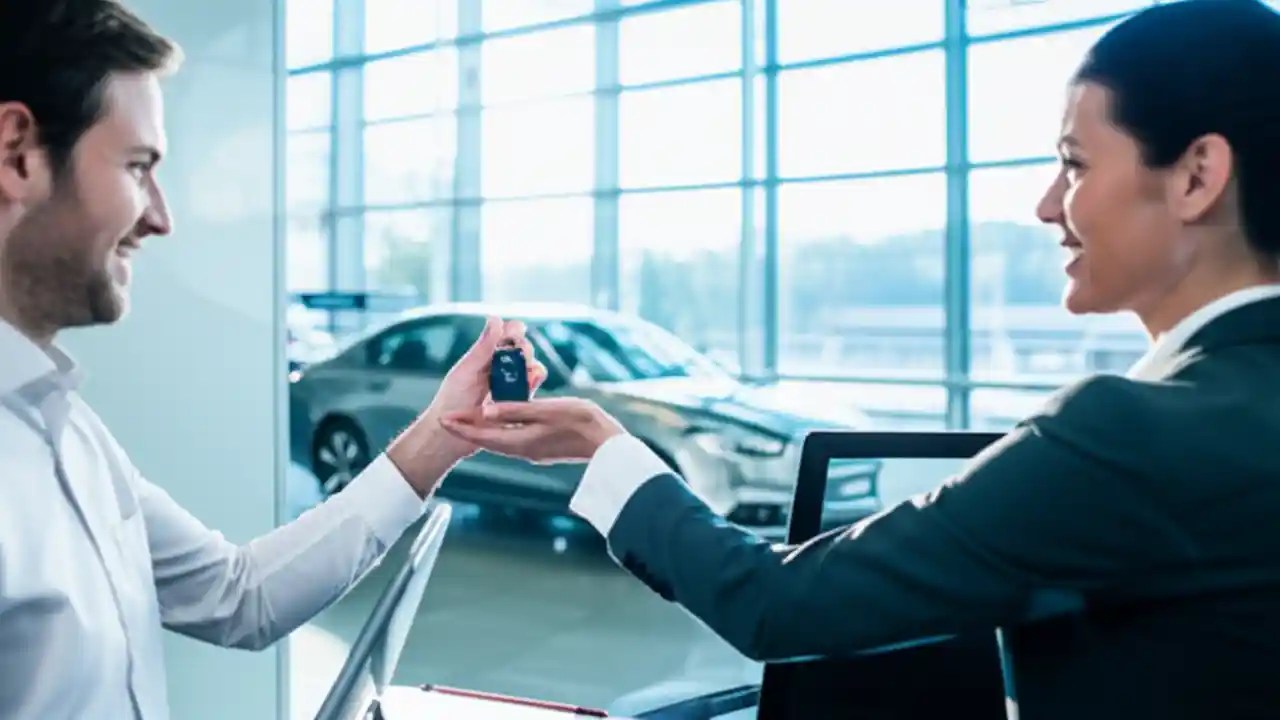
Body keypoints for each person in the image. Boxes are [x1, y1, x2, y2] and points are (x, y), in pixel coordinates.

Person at [440, 1, 1280, 717]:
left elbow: (776, 604)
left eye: (1074, 163)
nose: (1047, 204)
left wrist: (602, 447)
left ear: (1197, 175)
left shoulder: (1126, 439)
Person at [0, 2, 544, 718]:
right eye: (137, 167)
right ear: (18, 154)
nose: (160, 217)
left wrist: (444, 431)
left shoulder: (64, 431)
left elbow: (240, 594)